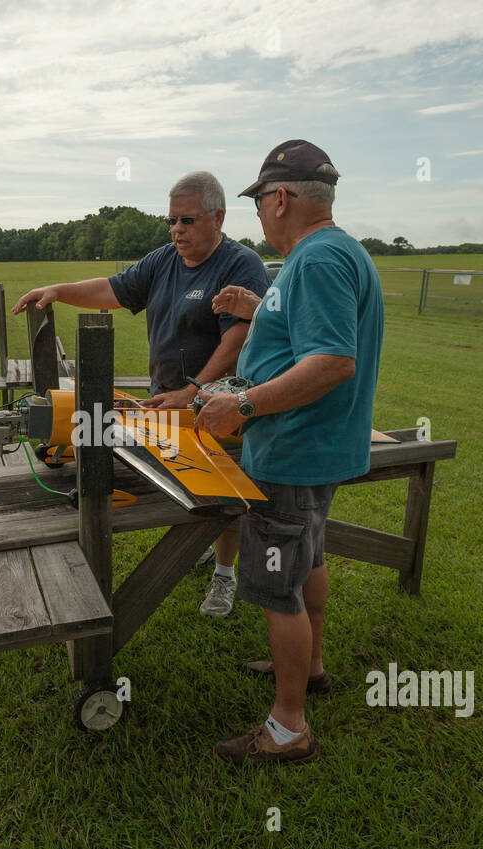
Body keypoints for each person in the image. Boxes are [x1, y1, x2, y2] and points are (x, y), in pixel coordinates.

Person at [195, 140, 384, 764]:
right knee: (308, 559)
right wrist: (260, 308)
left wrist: (241, 406)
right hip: (319, 449)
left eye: (258, 202)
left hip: (294, 451)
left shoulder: (318, 260)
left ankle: (287, 726)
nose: (257, 215)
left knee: (278, 586)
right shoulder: (332, 254)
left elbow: (332, 360)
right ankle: (314, 668)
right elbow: (310, 331)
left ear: (281, 198)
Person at [13, 172, 269, 617]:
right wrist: (59, 291)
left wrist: (194, 391)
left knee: (224, 488)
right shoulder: (164, 260)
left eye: (187, 220)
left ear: (218, 217)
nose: (177, 230)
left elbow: (239, 338)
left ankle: (225, 575)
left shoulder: (240, 264)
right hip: (164, 398)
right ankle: (203, 544)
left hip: (218, 405)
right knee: (182, 481)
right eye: (171, 221)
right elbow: (112, 289)